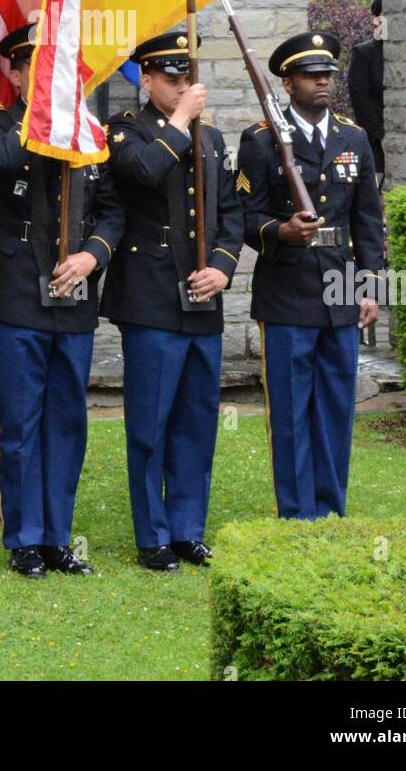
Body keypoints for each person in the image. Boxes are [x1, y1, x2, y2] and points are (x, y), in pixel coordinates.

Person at [0, 24, 125, 578]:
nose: (42, 73)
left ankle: (58, 535)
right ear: (13, 73)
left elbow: (111, 210)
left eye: (54, 64)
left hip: (75, 296)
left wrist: (91, 256)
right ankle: (24, 538)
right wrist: (45, 112)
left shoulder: (89, 131)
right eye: (30, 65)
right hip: (17, 296)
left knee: (66, 419)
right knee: (19, 421)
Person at [103, 31, 244, 572]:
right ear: (147, 77)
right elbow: (142, 172)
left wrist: (223, 269)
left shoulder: (210, 138)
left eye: (186, 75)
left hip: (202, 297)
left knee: (196, 419)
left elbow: (230, 212)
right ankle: (153, 535)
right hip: (152, 298)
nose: (182, 84)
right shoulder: (126, 131)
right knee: (151, 422)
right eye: (170, 76)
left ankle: (187, 528)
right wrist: (182, 119)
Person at [235, 29, 384, 521]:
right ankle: (298, 515)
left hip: (340, 288)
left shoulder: (353, 137)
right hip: (287, 290)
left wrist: (371, 285)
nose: (323, 83)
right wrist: (281, 230)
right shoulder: (261, 140)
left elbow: (367, 221)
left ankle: (331, 509)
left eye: (327, 75)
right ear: (287, 81)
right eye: (311, 76)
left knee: (337, 410)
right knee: (293, 412)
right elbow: (243, 218)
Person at [348, 0, 385, 185]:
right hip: (374, 138)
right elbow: (360, 99)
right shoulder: (364, 53)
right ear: (376, 19)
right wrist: (382, 136)